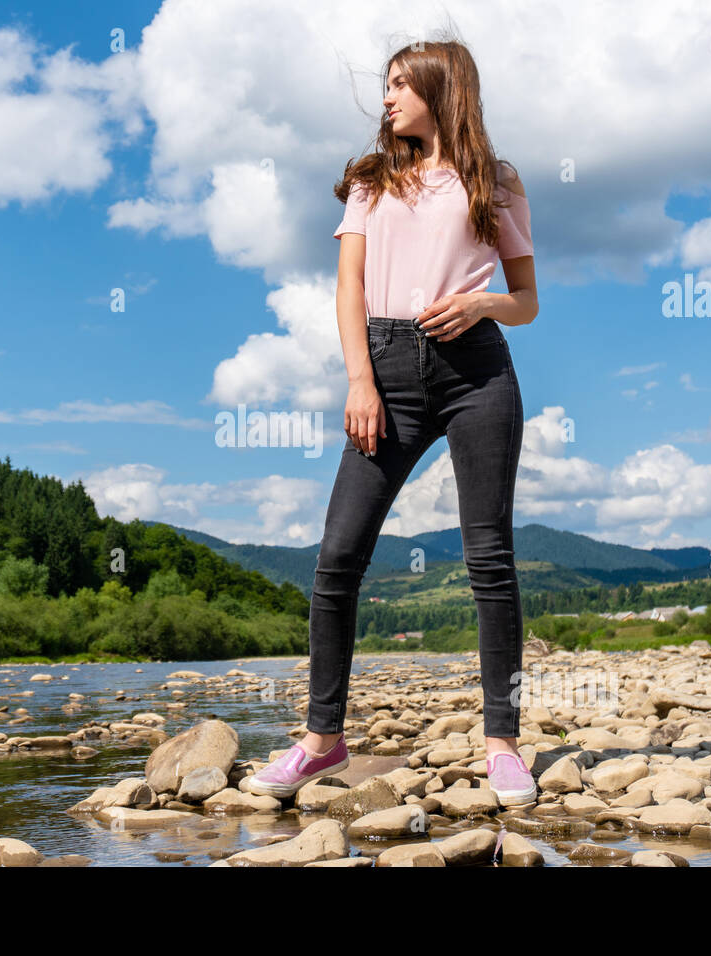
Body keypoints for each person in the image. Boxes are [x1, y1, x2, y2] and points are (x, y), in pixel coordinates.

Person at [245, 38, 539, 807]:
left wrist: (480, 302)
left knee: (490, 561)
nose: (387, 99)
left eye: (401, 85)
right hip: (387, 369)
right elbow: (347, 286)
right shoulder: (374, 181)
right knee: (338, 557)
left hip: (477, 371)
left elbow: (527, 302)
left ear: (443, 90)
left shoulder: (496, 182)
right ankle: (322, 739)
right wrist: (360, 380)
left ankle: (502, 744)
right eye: (385, 86)